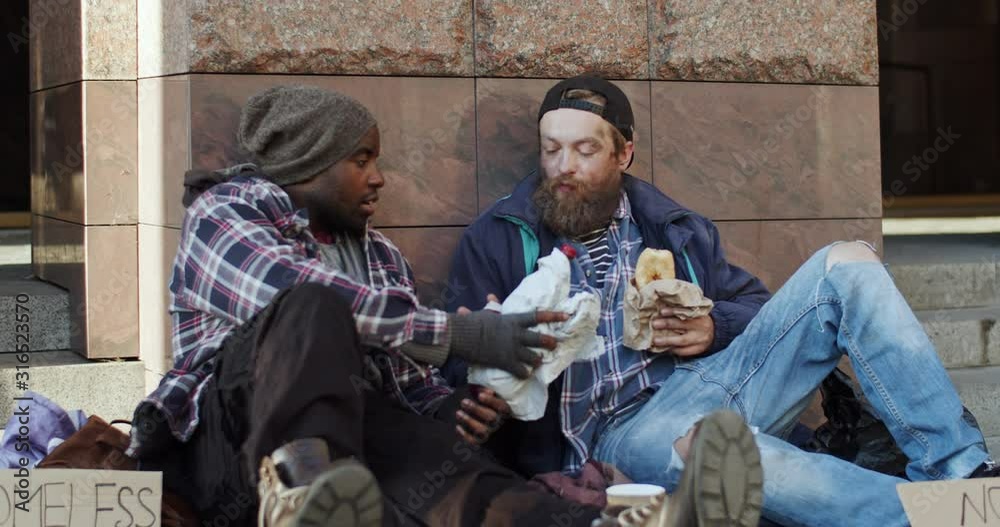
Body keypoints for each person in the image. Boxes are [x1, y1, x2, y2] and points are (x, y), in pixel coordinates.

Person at [125, 84, 760, 527]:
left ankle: (630, 523)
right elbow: (292, 292)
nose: (378, 178)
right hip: (232, 452)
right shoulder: (227, 211)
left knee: (448, 468)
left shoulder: (379, 259)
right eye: (361, 160)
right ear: (305, 165)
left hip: (350, 460)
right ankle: (300, 492)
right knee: (312, 307)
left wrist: (462, 406)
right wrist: (469, 334)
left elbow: (408, 386)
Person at [444, 74, 999, 527]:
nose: (564, 166)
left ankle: (960, 473)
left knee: (847, 262)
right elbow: (457, 367)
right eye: (552, 150)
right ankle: (951, 518)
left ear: (624, 153)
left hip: (711, 380)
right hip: (618, 435)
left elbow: (755, 308)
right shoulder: (497, 238)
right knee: (724, 456)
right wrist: (492, 371)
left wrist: (714, 329)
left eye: (585, 149)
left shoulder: (673, 227)